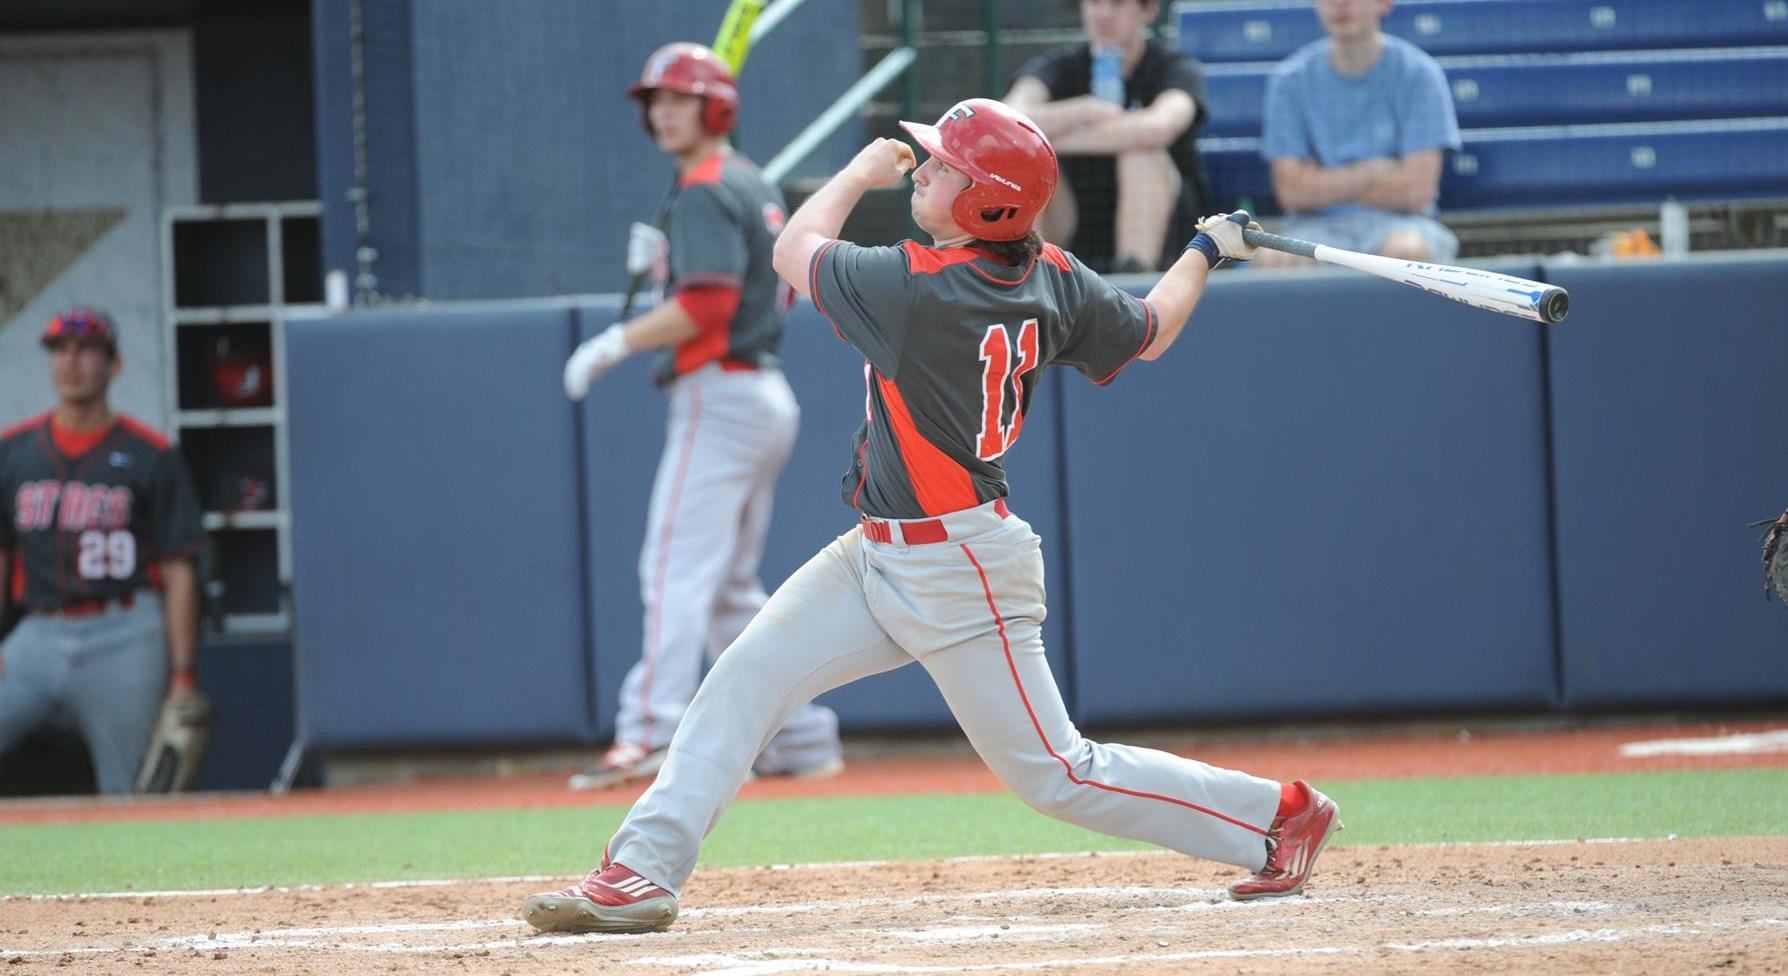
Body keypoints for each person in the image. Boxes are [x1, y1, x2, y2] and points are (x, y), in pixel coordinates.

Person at [521, 98, 1341, 935]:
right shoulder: (1049, 272)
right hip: (875, 552)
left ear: (988, 203)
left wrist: (857, 174)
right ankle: (642, 871)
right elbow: (1153, 330)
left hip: (960, 567)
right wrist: (1205, 248)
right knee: (743, 679)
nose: (929, 169)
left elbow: (791, 248)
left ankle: (1280, 817)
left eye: (951, 168)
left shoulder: (915, 285)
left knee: (1058, 774)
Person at [560, 42, 843, 791]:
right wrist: (663, 265)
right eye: (656, 101)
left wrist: (617, 339)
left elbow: (707, 304)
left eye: (679, 99)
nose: (663, 112)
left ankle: (650, 730)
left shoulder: (707, 188)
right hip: (758, 393)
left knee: (673, 572)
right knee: (726, 593)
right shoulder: (746, 180)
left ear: (715, 107)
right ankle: (804, 737)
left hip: (719, 395)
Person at [0, 308, 207, 795]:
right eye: (59, 351)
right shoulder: (14, 452)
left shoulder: (150, 454)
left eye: (86, 351)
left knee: (135, 789)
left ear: (113, 365)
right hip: (38, 634)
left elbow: (181, 572)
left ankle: (140, 873)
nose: (70, 363)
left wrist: (183, 675)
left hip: (126, 633)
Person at [1003, 0, 1212, 274]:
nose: (1103, 14)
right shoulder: (1059, 66)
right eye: (1094, 3)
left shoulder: (1175, 67)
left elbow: (1158, 127)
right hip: (1070, 219)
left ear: (1148, 10)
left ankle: (1135, 286)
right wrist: (1085, 108)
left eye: (1117, 4)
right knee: (1028, 159)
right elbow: (1008, 119)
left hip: (1168, 228)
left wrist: (1055, 136)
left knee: (1141, 153)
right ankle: (1031, 284)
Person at [1254, 0, 1462, 270]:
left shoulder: (1421, 74)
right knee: (1275, 260)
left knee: (1406, 251)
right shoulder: (1288, 80)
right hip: (1310, 227)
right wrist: (1377, 171)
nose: (1340, 5)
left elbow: (1416, 192)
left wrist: (1321, 183)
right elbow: (1293, 193)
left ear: (1385, 4)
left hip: (1402, 223)